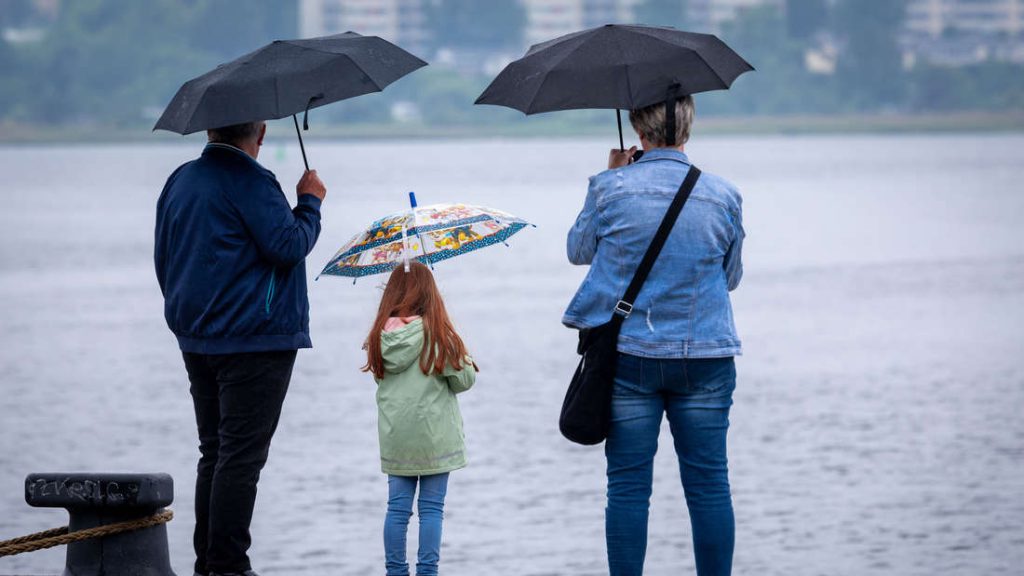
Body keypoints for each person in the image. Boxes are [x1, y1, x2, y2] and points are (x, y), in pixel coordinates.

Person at [562, 95, 745, 576]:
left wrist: (608, 177)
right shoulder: (723, 195)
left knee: (627, 485)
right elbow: (730, 277)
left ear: (639, 133)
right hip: (706, 354)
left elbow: (578, 251)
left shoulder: (611, 189)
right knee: (709, 485)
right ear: (687, 130)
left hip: (630, 357)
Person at [154, 120, 327, 576]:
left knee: (214, 450)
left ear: (209, 127)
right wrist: (310, 202)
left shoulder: (180, 180)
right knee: (240, 457)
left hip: (196, 337)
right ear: (262, 131)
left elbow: (163, 258)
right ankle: (229, 565)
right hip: (255, 339)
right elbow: (288, 245)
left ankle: (208, 563)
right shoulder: (253, 181)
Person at [363, 261, 477, 576]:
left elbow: (381, 379)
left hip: (397, 436)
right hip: (435, 437)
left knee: (397, 509)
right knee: (431, 510)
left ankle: (395, 571)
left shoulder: (379, 337)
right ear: (430, 295)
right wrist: (459, 349)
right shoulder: (438, 334)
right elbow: (464, 381)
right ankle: (428, 571)